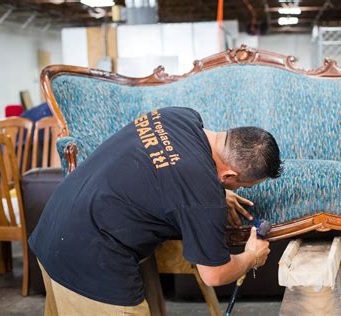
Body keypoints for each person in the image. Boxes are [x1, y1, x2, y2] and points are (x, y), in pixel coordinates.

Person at [29, 106, 283, 315]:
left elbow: (168, 168)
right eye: (242, 185)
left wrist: (215, 189)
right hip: (89, 262)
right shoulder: (202, 196)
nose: (239, 189)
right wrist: (251, 256)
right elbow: (214, 274)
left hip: (54, 226)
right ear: (229, 174)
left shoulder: (179, 116)